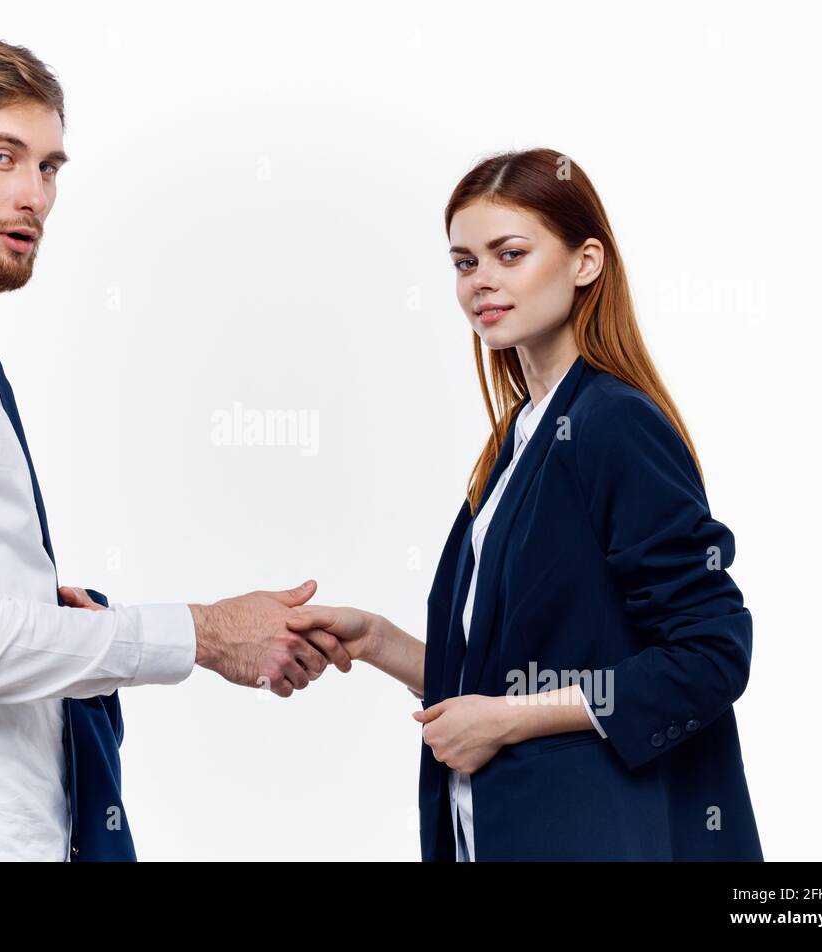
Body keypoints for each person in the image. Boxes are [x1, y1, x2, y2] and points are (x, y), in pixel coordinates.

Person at [0, 35, 346, 862]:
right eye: (1, 157)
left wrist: (33, 600)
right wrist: (206, 634)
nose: (33, 196)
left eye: (48, 168)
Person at [289, 148, 763, 861]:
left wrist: (510, 721)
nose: (482, 282)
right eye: (463, 262)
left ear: (586, 261)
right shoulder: (519, 439)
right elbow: (512, 680)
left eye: (509, 254)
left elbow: (711, 655)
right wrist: (377, 640)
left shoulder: (613, 424)